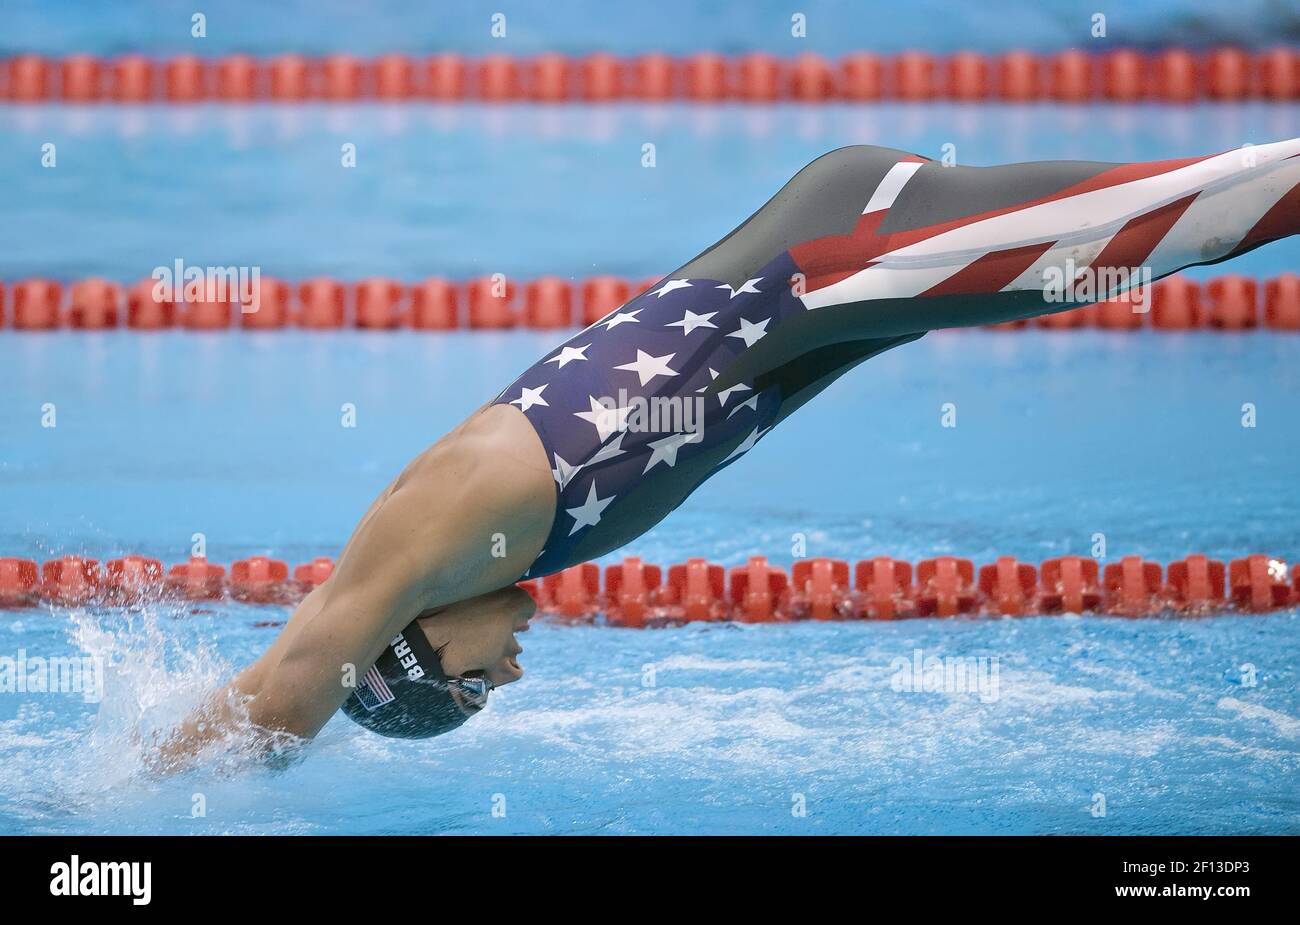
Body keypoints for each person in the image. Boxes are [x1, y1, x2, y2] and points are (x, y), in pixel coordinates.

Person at [159, 137, 1300, 760]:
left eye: (469, 686)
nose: (503, 677)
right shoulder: (505, 556)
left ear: (410, 644)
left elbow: (297, 670)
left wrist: (149, 807)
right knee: (1162, 237)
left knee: (1188, 217)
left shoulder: (435, 528)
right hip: (855, 297)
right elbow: (290, 668)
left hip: (840, 260)